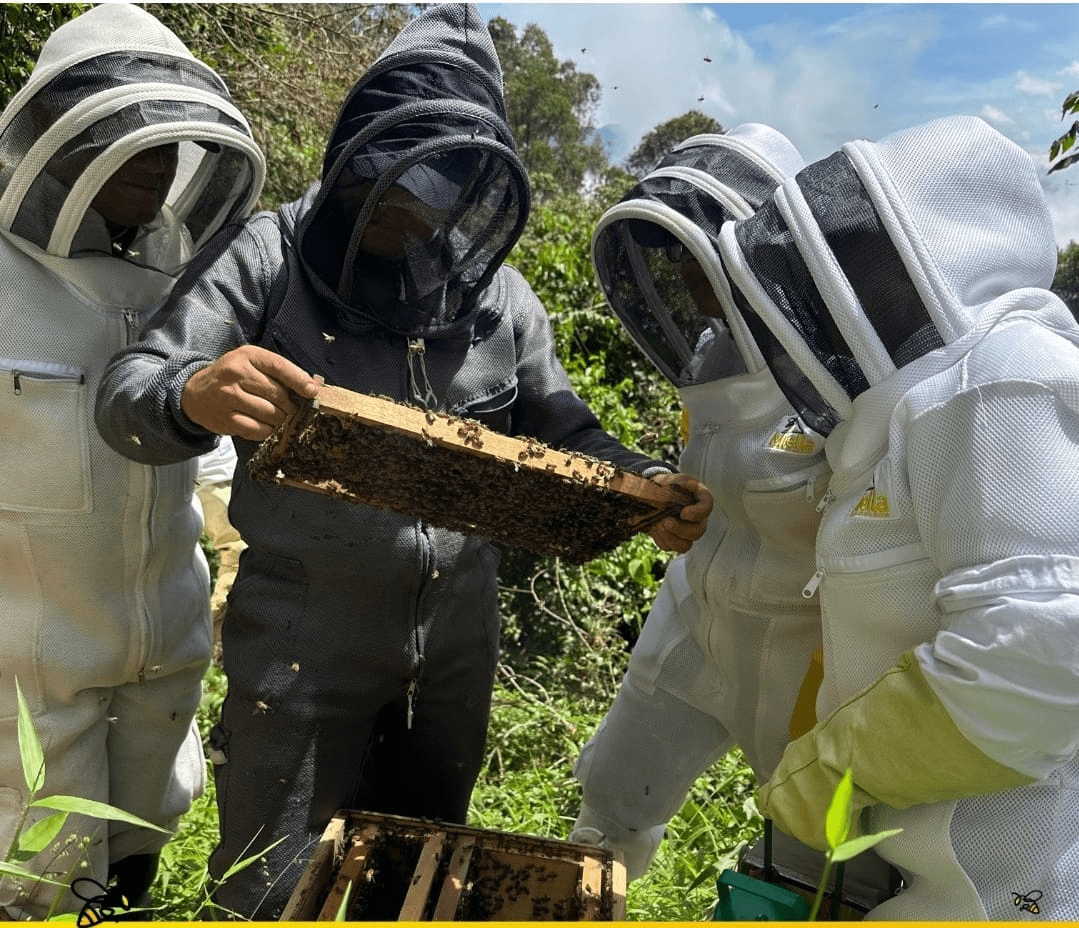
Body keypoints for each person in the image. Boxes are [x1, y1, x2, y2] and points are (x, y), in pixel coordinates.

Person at [94, 4, 712, 919]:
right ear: (352, 154)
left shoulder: (501, 298)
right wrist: (190, 392)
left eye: (432, 187)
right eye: (386, 180)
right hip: (304, 646)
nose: (403, 205)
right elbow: (127, 391)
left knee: (419, 877)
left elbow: (570, 431)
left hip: (457, 649)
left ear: (472, 190)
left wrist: (645, 489)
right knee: (271, 881)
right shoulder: (265, 254)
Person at [715, 114, 1079, 919]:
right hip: (948, 878)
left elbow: (1043, 656)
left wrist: (839, 768)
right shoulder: (922, 406)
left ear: (920, 262)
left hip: (1025, 888)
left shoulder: (1001, 379)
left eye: (854, 270)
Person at [566, 124, 896, 913]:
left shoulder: (844, 362)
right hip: (690, 617)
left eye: (699, 249)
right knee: (608, 807)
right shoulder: (710, 351)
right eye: (676, 254)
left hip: (804, 655)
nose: (684, 272)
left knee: (827, 866)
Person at [0, 4, 266, 920]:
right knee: (37, 879)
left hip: (166, 641)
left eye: (169, 147)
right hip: (28, 663)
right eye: (129, 143)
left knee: (139, 848)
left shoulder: (175, 291)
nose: (156, 167)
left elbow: (206, 465)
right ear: (54, 138)